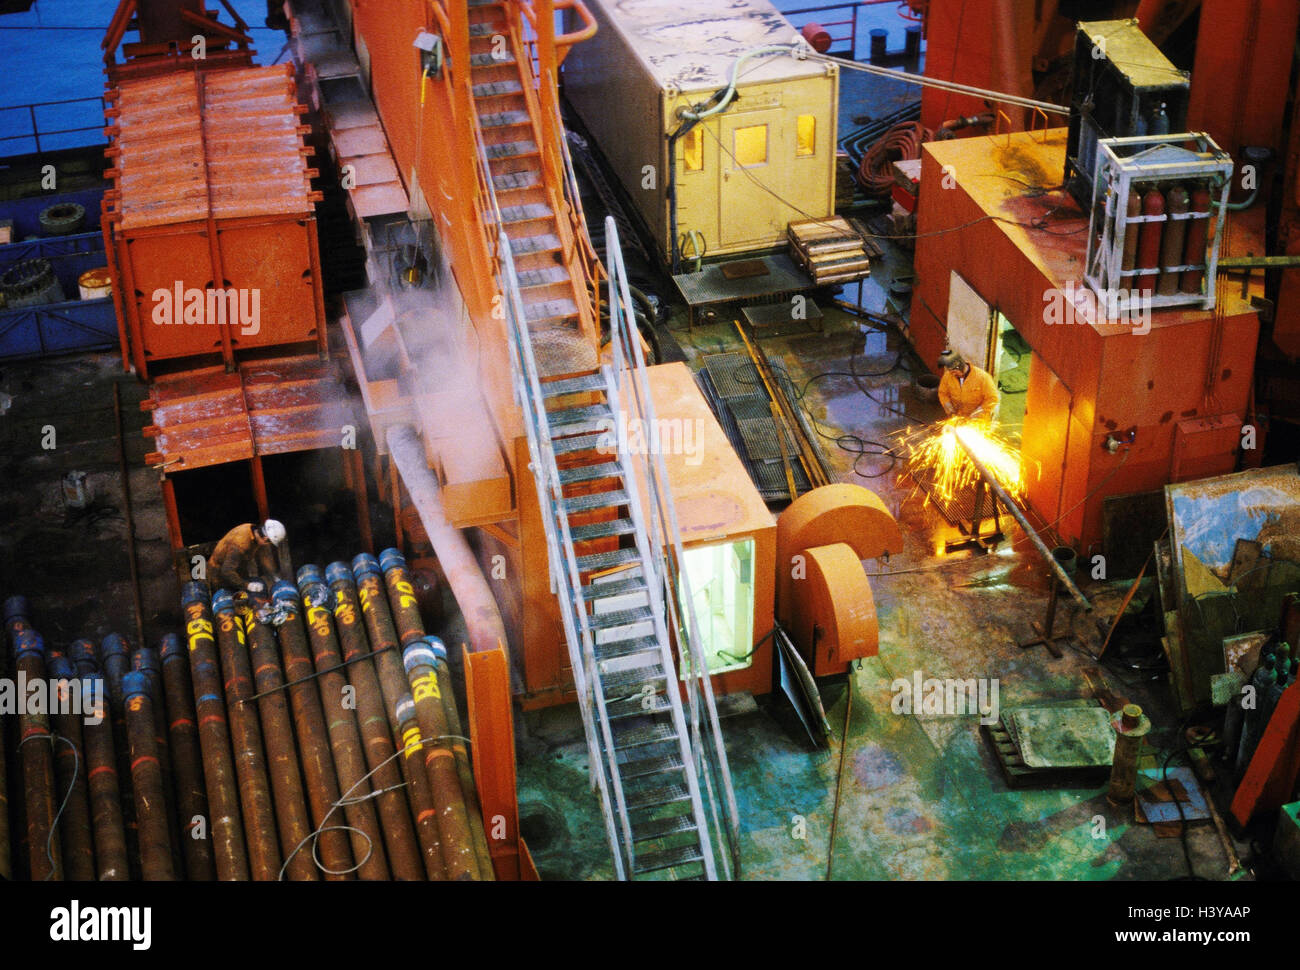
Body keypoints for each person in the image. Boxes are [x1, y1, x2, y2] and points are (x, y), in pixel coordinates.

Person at [208, 519, 287, 593]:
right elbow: (226, 571)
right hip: (219, 577)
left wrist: (273, 575)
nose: (267, 545)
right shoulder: (240, 545)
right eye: (269, 543)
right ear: (265, 538)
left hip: (237, 568)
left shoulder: (253, 530)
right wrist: (247, 585)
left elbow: (263, 556)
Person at [937, 350, 999, 425]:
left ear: (960, 367)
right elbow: (943, 393)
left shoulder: (983, 378)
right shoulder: (948, 376)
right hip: (958, 418)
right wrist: (951, 411)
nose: (952, 374)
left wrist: (975, 414)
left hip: (978, 421)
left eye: (954, 371)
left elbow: (992, 399)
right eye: (950, 371)